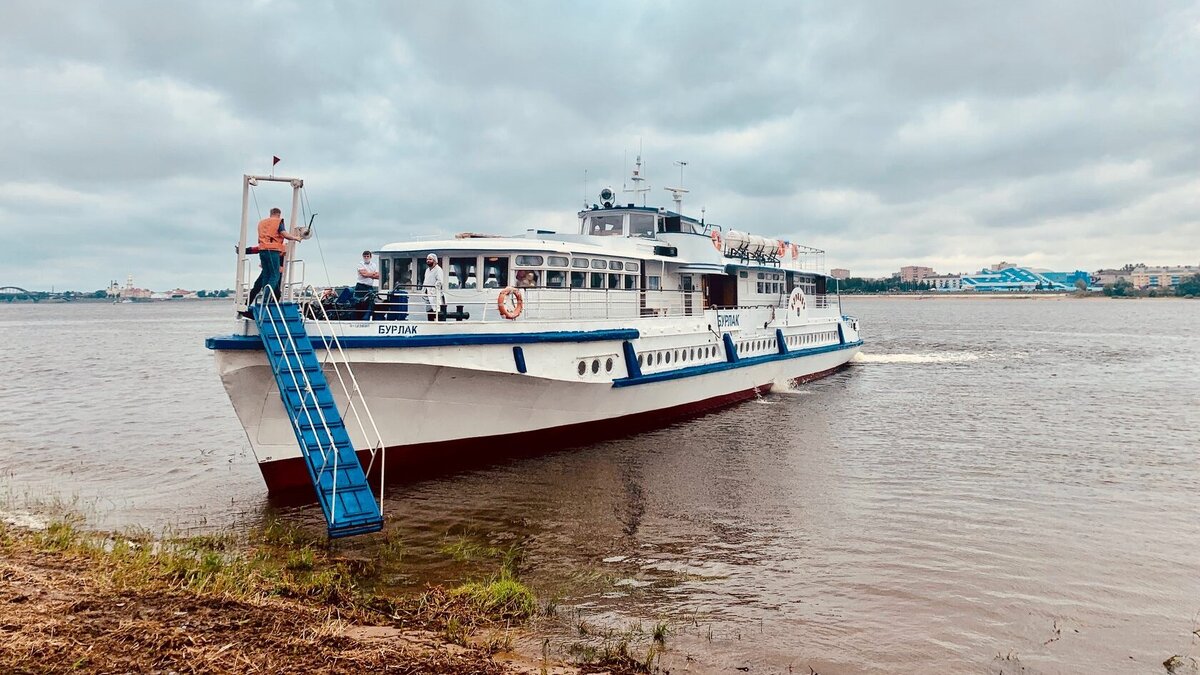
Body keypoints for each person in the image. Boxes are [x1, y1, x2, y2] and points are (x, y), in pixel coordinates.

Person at [242, 207, 302, 318]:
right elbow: (284, 234)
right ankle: (258, 305)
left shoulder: (262, 223)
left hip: (266, 257)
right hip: (272, 265)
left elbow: (258, 248)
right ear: (279, 214)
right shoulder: (278, 227)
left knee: (273, 290)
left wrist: (243, 251)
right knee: (261, 285)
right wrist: (295, 238)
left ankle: (267, 307)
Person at [354, 250, 380, 320]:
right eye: (364, 256)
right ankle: (358, 319)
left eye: (367, 256)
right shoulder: (360, 264)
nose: (366, 257)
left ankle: (367, 318)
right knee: (359, 303)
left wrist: (368, 274)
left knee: (370, 302)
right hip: (361, 286)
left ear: (370, 257)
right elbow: (364, 274)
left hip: (369, 286)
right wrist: (373, 274)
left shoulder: (374, 265)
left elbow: (378, 276)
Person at [421, 253, 445, 321]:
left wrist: (433, 290)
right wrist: (423, 291)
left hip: (436, 294)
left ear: (434, 261)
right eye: (427, 259)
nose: (428, 261)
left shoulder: (438, 270)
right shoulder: (427, 270)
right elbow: (425, 282)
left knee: (437, 310)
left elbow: (440, 281)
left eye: (430, 259)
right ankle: (430, 323)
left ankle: (438, 324)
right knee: (429, 310)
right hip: (428, 294)